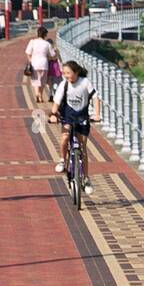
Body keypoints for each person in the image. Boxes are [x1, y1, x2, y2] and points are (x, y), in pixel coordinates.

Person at [48, 60, 100, 194]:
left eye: (68, 73)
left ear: (76, 72)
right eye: (64, 73)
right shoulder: (64, 84)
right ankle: (62, 160)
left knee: (82, 147)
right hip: (67, 116)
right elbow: (57, 100)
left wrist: (97, 114)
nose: (66, 75)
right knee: (65, 137)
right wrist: (53, 114)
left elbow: (95, 97)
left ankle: (86, 179)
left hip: (82, 117)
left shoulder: (85, 82)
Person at [25, 25, 56, 104]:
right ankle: (41, 96)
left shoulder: (32, 42)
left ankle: (36, 94)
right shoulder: (47, 44)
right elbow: (52, 55)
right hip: (44, 64)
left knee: (35, 80)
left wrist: (30, 60)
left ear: (37, 34)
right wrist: (50, 58)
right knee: (42, 81)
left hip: (34, 63)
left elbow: (28, 52)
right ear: (45, 35)